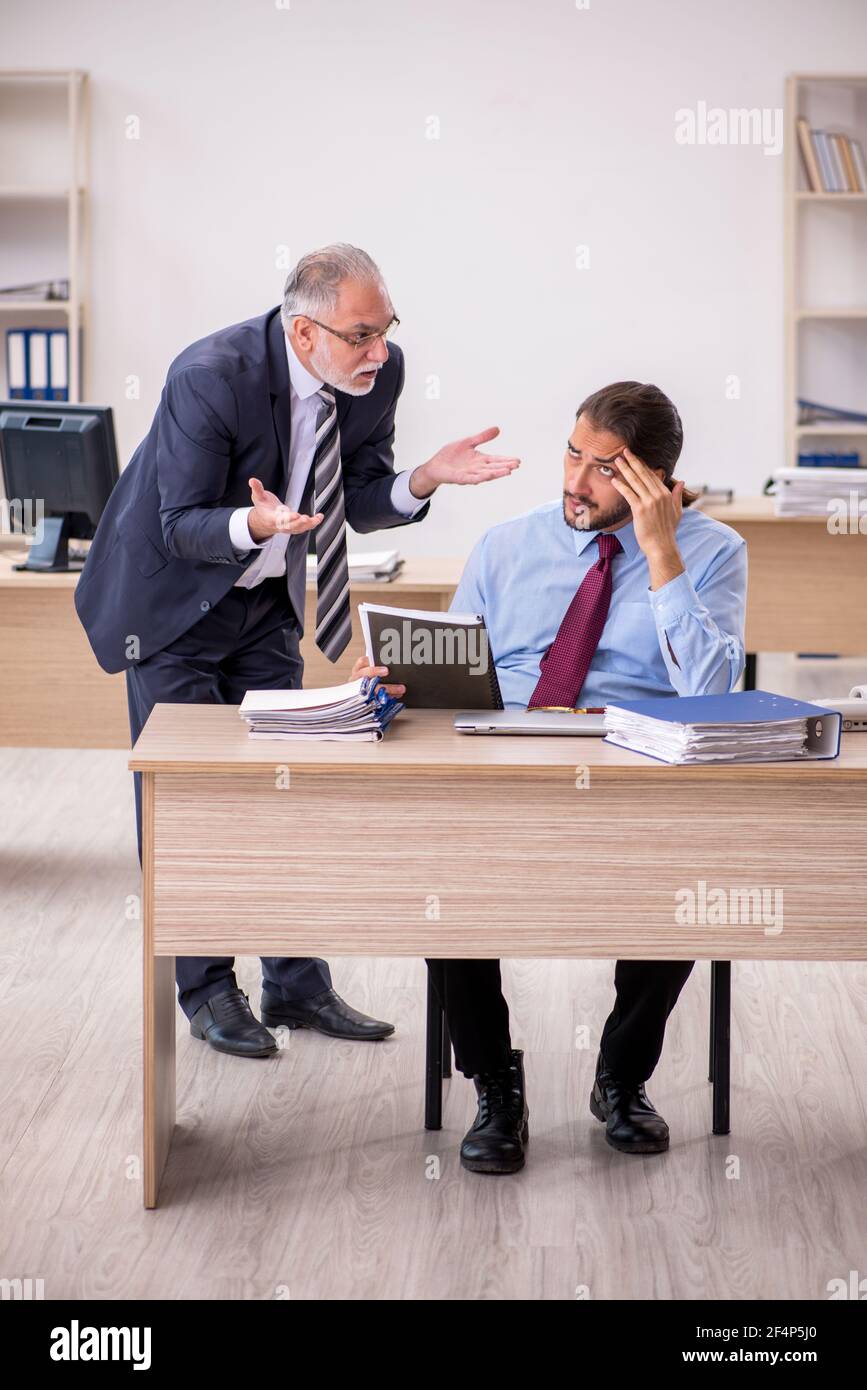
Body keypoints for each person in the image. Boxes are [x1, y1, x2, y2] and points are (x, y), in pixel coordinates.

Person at [75, 243, 519, 1059]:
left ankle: (295, 981)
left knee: (285, 790)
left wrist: (422, 479)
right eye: (360, 335)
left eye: (385, 330)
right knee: (190, 801)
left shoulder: (375, 373)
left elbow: (355, 494)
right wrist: (258, 526)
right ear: (302, 330)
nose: (378, 352)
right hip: (173, 602)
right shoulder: (211, 373)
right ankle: (207, 989)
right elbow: (179, 525)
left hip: (265, 608)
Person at [356, 380, 747, 1173]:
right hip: (507, 761)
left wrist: (659, 550)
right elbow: (447, 676)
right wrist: (401, 681)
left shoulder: (712, 554)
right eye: (573, 453)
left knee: (685, 877)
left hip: (632, 768)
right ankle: (496, 1085)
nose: (574, 481)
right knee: (442, 883)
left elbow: (711, 695)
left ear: (653, 480)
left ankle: (621, 1078)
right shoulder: (506, 546)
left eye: (605, 468)